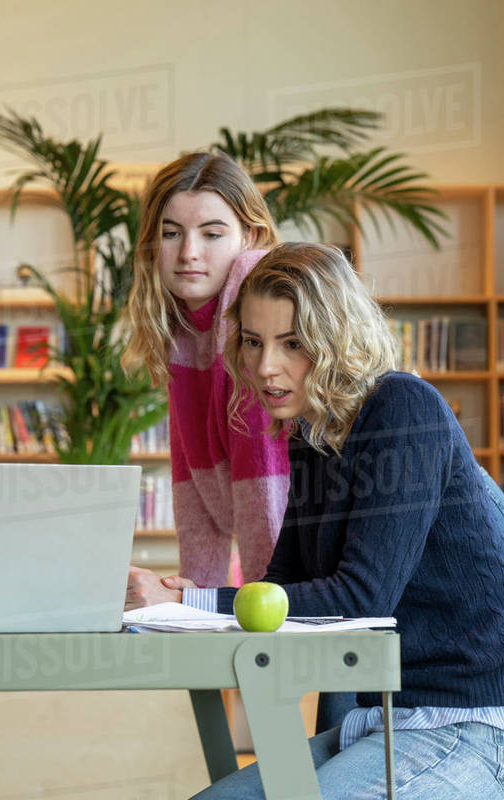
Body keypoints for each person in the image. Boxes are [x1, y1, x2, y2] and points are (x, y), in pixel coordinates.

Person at [189, 241, 504, 799]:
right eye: (254, 342)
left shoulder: (402, 406)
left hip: (469, 728)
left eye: (293, 343)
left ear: (335, 337)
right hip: (376, 726)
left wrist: (196, 602)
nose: (266, 367)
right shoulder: (310, 436)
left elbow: (361, 600)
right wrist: (185, 603)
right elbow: (280, 587)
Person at [119, 151, 288, 597]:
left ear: (250, 236)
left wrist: (261, 608)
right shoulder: (181, 331)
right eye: (171, 233)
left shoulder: (256, 308)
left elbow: (266, 486)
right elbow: (192, 489)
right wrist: (191, 606)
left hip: (312, 582)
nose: (188, 253)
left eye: (212, 234)